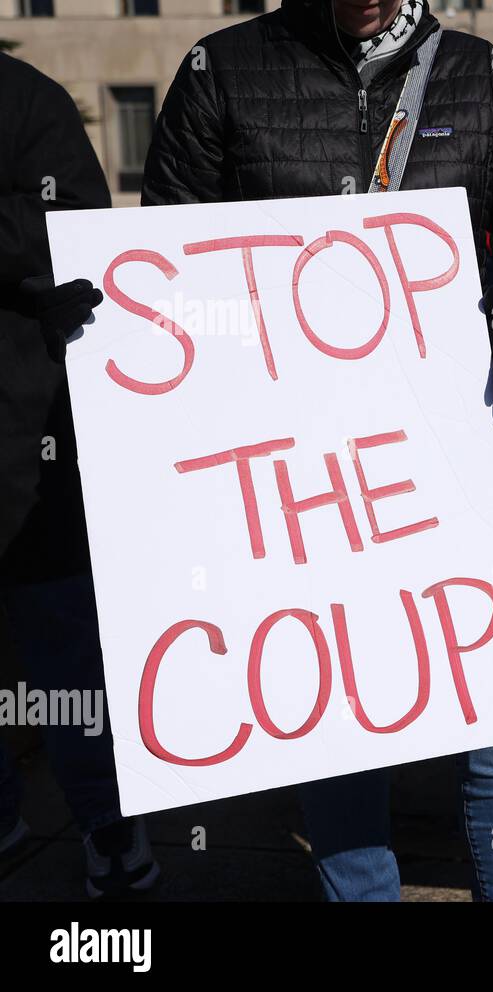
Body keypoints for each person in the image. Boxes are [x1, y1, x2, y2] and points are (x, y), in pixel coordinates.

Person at [141, 0, 493, 901]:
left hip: (449, 454)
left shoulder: (474, 72)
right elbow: (166, 257)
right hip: (295, 473)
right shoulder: (221, 68)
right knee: (334, 724)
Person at [0, 51, 159, 898]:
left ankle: (111, 835)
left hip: (33, 443)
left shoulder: (29, 100)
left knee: (68, 661)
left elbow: (75, 232)